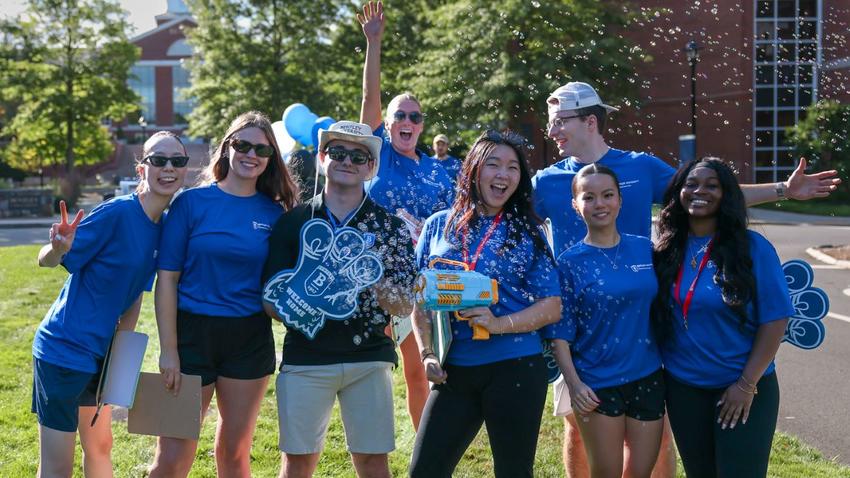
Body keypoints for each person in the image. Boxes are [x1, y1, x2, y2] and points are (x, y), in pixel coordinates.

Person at [532, 81, 841, 478]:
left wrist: (783, 188)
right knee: (577, 426)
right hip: (582, 329)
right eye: (550, 123)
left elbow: (705, 192)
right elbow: (511, 224)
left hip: (646, 326)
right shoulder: (546, 181)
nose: (552, 131)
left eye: (559, 122)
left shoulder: (641, 167)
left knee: (655, 435)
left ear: (589, 121)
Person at [149, 112, 299, 477]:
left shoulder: (277, 214)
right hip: (189, 338)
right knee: (169, 460)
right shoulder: (190, 203)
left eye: (261, 149)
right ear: (227, 148)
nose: (251, 154)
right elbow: (166, 280)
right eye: (243, 144)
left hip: (248, 339)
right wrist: (169, 351)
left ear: (270, 158)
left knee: (234, 454)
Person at [262, 120, 416, 478]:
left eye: (358, 155)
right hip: (306, 358)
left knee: (373, 461)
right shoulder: (295, 221)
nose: (347, 161)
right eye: (338, 152)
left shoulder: (388, 226)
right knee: (298, 462)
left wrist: (371, 280)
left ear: (371, 166)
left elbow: (404, 304)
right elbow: (268, 298)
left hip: (369, 359)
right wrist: (303, 304)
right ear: (321, 157)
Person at [31, 131, 189, 477]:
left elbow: (134, 296)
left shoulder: (163, 228)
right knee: (58, 466)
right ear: (140, 168)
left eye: (177, 161)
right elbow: (47, 259)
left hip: (99, 357)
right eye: (158, 159)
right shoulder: (117, 214)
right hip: (64, 351)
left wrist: (116, 363)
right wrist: (57, 247)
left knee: (100, 447)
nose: (168, 167)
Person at [409, 130, 562, 478]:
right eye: (493, 164)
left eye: (512, 167)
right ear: (474, 170)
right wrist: (427, 353)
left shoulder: (527, 231)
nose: (503, 175)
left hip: (515, 368)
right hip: (455, 371)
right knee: (424, 472)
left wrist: (498, 324)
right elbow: (420, 299)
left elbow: (551, 307)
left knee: (513, 472)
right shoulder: (438, 226)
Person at [652, 158, 794, 477]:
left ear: (727, 194)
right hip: (684, 389)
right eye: (691, 184)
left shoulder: (753, 248)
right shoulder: (665, 249)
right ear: (678, 193)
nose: (700, 191)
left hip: (743, 388)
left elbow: (775, 320)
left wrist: (745, 385)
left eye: (712, 185)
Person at [358, 0, 456, 431]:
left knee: (421, 371)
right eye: (400, 114)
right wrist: (374, 44)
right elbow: (369, 100)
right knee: (372, 370)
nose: (407, 121)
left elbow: (455, 223)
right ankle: (373, 444)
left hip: (422, 279)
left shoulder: (437, 169)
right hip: (378, 275)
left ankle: (423, 449)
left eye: (415, 117)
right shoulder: (377, 153)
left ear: (421, 125)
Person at [548, 164, 664, 478]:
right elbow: (560, 332)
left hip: (648, 377)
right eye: (589, 197)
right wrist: (574, 385)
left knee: (640, 473)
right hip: (597, 385)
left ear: (620, 200)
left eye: (607, 195)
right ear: (576, 205)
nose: (600, 204)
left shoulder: (645, 249)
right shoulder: (570, 263)